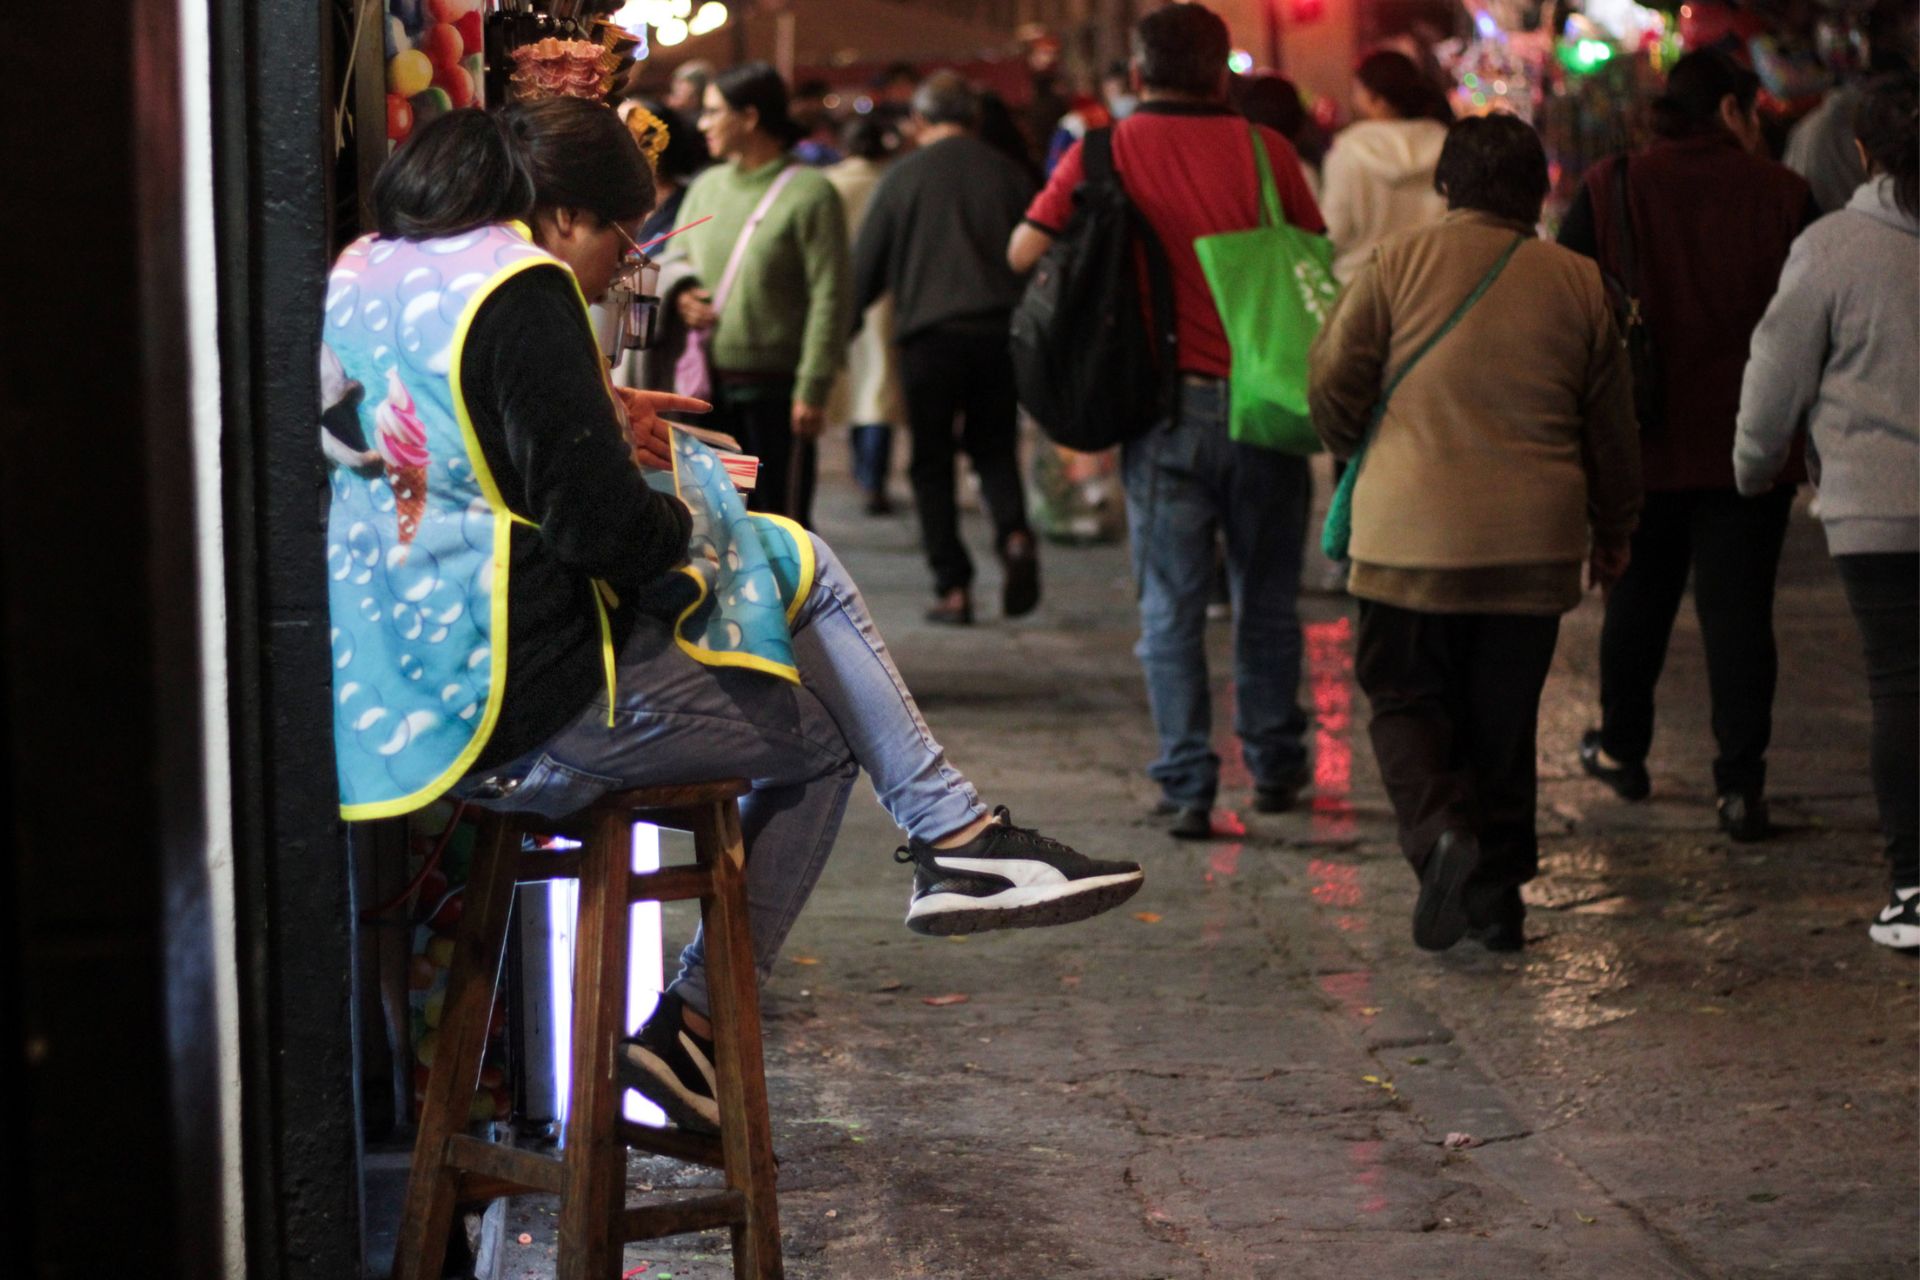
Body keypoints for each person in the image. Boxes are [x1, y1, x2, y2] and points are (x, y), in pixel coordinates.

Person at [323, 101, 1145, 1133]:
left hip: (391, 711)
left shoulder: (371, 270)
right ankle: (875, 893)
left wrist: (598, 425)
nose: (623, 268)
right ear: (564, 212)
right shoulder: (520, 284)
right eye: (624, 241)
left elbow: (454, 448)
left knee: (794, 600)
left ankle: (950, 844)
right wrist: (698, 519)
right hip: (521, 712)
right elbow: (604, 534)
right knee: (820, 684)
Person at [1310, 114, 1642, 952]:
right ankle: (1497, 898)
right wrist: (1615, 529)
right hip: (1533, 546)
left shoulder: (1394, 264)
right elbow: (1612, 432)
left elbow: (1331, 388)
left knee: (1404, 698)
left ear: (1445, 187)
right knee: (1502, 718)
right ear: (1537, 190)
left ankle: (1440, 833)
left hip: (1405, 543)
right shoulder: (1583, 285)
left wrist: (1371, 451)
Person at [1010, 2, 1326, 838]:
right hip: (1266, 406)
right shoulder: (1269, 151)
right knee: (1266, 599)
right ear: (1224, 72)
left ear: (1140, 72)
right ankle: (1275, 764)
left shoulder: (1100, 151)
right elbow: (1309, 257)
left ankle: (1188, 782)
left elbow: (1023, 253)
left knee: (1171, 606)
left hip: (1163, 413)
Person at [1557, 50, 1819, 842]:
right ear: (1736, 109)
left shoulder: (1613, 184)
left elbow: (1568, 292)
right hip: (1755, 439)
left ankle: (1624, 749)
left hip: (1645, 435)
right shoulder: (1783, 192)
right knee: (1740, 615)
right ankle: (1740, 786)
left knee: (1637, 598)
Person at [1733, 75, 1919, 950]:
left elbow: (1777, 371)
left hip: (1878, 512)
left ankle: (1915, 890)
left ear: (1860, 151)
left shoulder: (1832, 246)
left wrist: (1752, 464)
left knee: (1900, 686)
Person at [854, 72, 1042, 625]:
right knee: (994, 447)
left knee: (931, 463)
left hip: (928, 340)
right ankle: (1013, 533)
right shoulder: (1008, 175)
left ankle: (953, 587)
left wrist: (832, 341)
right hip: (997, 335)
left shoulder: (902, 177)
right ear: (976, 117)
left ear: (919, 120)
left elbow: (865, 268)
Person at [673, 62, 853, 527]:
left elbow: (831, 295)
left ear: (750, 117)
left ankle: (784, 601)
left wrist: (813, 387)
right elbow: (672, 262)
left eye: (714, 111)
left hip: (776, 395)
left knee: (778, 522)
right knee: (720, 518)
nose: (703, 122)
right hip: (708, 393)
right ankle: (734, 602)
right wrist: (680, 297)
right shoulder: (706, 188)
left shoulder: (811, 193)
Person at [824, 116, 906, 516]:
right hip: (887, 299)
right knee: (879, 392)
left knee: (854, 388)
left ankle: (861, 471)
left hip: (838, 295)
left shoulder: (827, 183)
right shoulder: (892, 182)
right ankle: (874, 481)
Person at [1320, 49, 1452, 286]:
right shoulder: (1444, 141)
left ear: (1374, 97)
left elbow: (1335, 231)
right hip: (1430, 284)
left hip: (1360, 284)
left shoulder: (1349, 149)